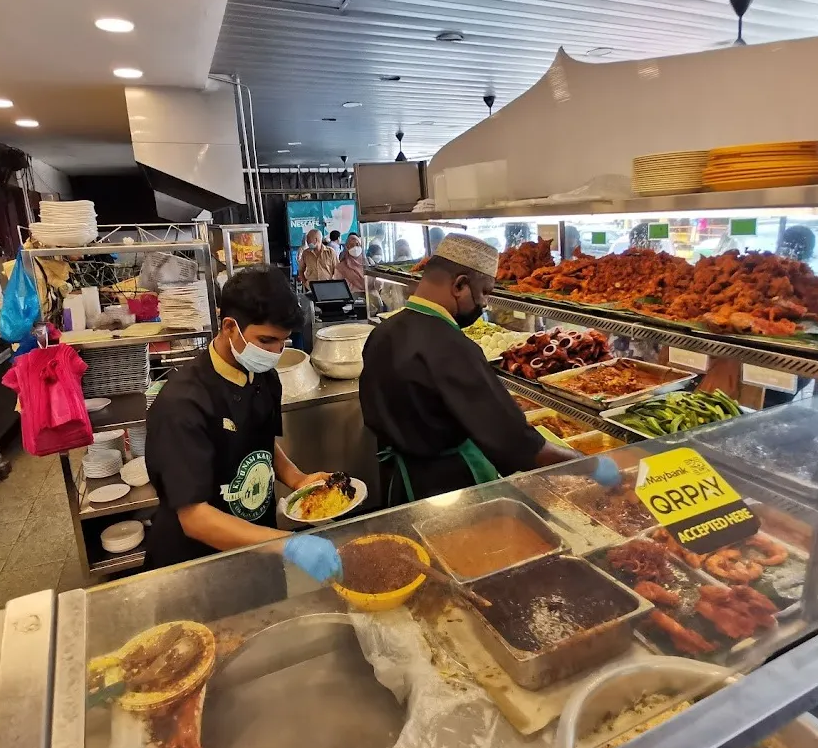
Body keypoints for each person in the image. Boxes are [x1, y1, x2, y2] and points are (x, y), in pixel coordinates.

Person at [359, 232, 619, 506]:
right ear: (460, 285)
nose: (484, 303)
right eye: (484, 292)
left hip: (399, 482)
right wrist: (590, 465)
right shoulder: (453, 349)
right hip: (448, 492)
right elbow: (518, 445)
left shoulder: (382, 333)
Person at [144, 265, 341, 588]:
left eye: (283, 342)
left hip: (258, 545)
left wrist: (298, 479)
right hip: (198, 564)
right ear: (229, 327)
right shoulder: (182, 404)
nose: (275, 352)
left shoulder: (264, 376)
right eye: (266, 340)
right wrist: (288, 544)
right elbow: (195, 518)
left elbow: (259, 440)